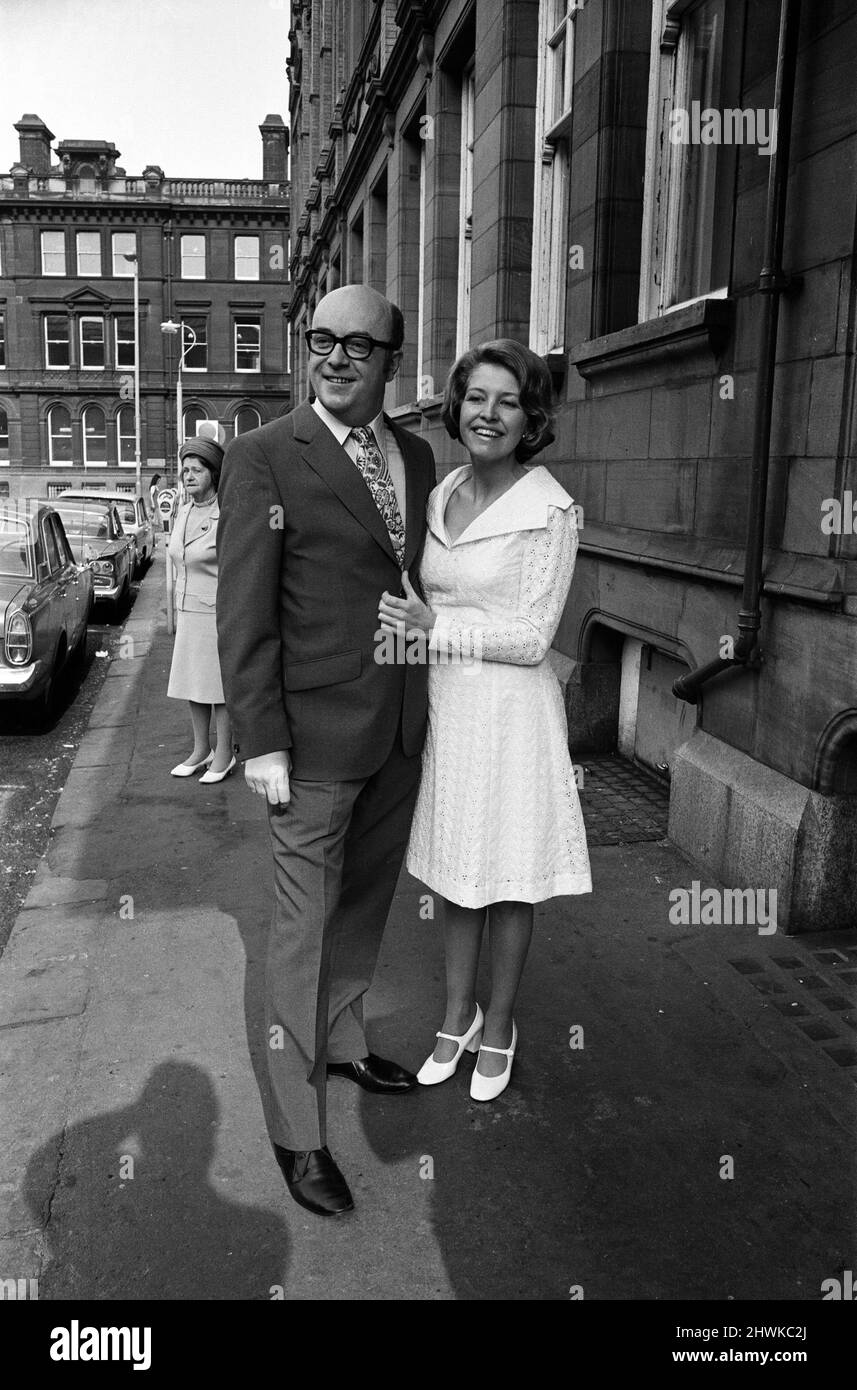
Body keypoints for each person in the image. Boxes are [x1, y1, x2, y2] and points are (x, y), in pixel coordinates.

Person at [216, 285, 436, 1218]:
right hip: (307, 743)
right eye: (322, 341)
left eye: (360, 345)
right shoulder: (264, 455)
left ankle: (343, 1041)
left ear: (392, 359)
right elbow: (243, 609)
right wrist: (259, 741)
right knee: (300, 935)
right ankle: (296, 1133)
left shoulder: (419, 455)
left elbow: (413, 577)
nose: (337, 358)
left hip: (398, 727)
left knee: (363, 904)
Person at [380, 340, 592, 1103]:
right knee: (453, 874)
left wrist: (434, 626)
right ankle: (454, 1017)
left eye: (507, 401)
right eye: (476, 398)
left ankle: (498, 1024)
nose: (489, 414)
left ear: (530, 416)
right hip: (447, 712)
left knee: (505, 880)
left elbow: (533, 638)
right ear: (456, 407)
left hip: (509, 718)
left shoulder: (550, 510)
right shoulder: (439, 496)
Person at [167, 439, 235, 784]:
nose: (188, 476)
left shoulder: (227, 512)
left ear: (213, 473)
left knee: (219, 688)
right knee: (193, 682)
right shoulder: (183, 509)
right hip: (187, 608)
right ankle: (200, 749)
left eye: (196, 470)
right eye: (185, 469)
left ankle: (225, 752)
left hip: (217, 612)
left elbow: (238, 567)